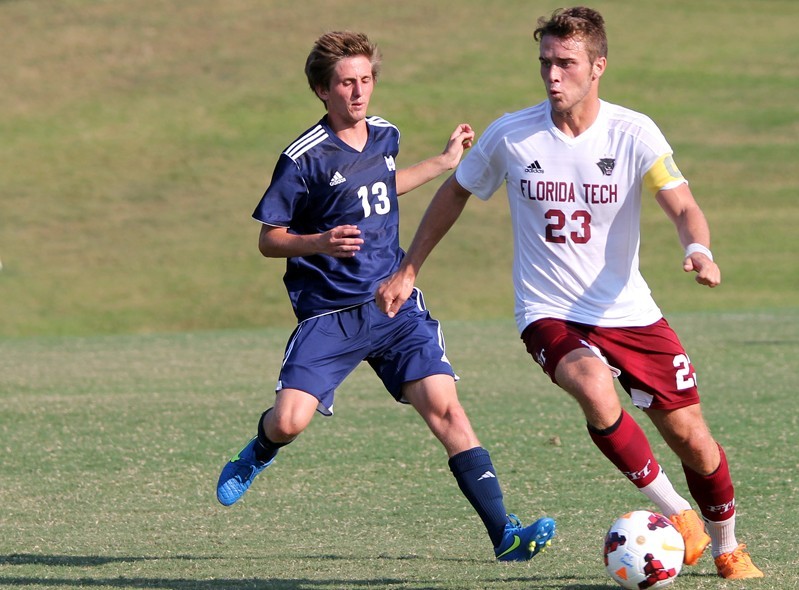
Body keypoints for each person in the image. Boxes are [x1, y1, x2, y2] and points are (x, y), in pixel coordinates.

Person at [376, 7, 763, 579]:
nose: (553, 75)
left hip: (628, 310)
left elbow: (681, 204)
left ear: (598, 66)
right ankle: (679, 515)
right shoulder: (512, 134)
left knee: (694, 441)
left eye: (566, 63)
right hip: (548, 311)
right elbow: (454, 194)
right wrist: (409, 268)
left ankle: (729, 546)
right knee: (592, 386)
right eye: (545, 63)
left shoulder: (634, 132)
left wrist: (698, 248)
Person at [215, 30, 555, 563]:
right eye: (346, 83)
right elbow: (268, 239)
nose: (358, 92)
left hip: (393, 303)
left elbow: (382, 186)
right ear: (322, 91)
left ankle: (504, 535)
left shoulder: (385, 135)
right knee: (287, 422)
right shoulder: (301, 158)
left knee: (447, 410)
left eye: (366, 80)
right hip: (329, 315)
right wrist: (318, 241)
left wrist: (444, 162)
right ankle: (258, 452)